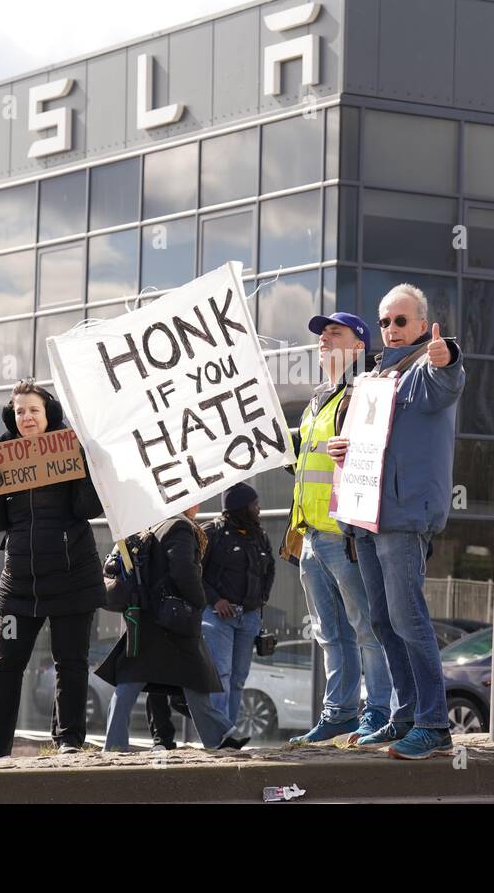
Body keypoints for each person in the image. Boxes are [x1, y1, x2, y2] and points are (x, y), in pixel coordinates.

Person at [329, 284, 464, 760]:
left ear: (423, 326)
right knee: (383, 619)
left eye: (400, 321)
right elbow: (359, 439)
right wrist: (340, 448)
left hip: (403, 516)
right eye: (385, 321)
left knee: (408, 618)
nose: (390, 329)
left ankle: (434, 724)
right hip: (365, 514)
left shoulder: (425, 370)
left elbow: (448, 377)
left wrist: (447, 355)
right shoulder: (372, 379)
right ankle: (405, 715)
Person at [0, 379, 104, 759]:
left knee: (71, 662)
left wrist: (84, 470)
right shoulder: (1, 457)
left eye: (33, 410)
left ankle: (68, 741)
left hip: (71, 578)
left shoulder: (68, 449)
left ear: (48, 415)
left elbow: (88, 510)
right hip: (20, 584)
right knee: (5, 663)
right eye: (20, 411)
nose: (26, 417)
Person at [286, 311, 394, 747]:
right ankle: (339, 714)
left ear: (358, 345)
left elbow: (378, 452)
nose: (323, 341)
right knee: (330, 633)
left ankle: (379, 712)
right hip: (311, 534)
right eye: (321, 335)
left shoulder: (364, 393)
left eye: (335, 333)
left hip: (345, 534)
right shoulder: (318, 399)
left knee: (366, 627)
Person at [96, 504, 249, 751]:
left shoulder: (150, 524)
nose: (198, 505)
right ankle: (220, 736)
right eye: (194, 500)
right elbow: (183, 570)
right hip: (174, 617)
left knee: (135, 676)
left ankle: (115, 744)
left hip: (146, 616)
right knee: (194, 675)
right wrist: (199, 601)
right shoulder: (179, 527)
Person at [200, 482, 276, 727]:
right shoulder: (212, 533)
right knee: (221, 675)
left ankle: (230, 733)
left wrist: (259, 601)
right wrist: (215, 600)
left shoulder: (259, 535)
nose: (259, 509)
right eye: (254, 505)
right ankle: (218, 734)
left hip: (250, 618)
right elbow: (194, 574)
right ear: (241, 508)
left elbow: (270, 569)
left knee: (238, 678)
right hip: (218, 617)